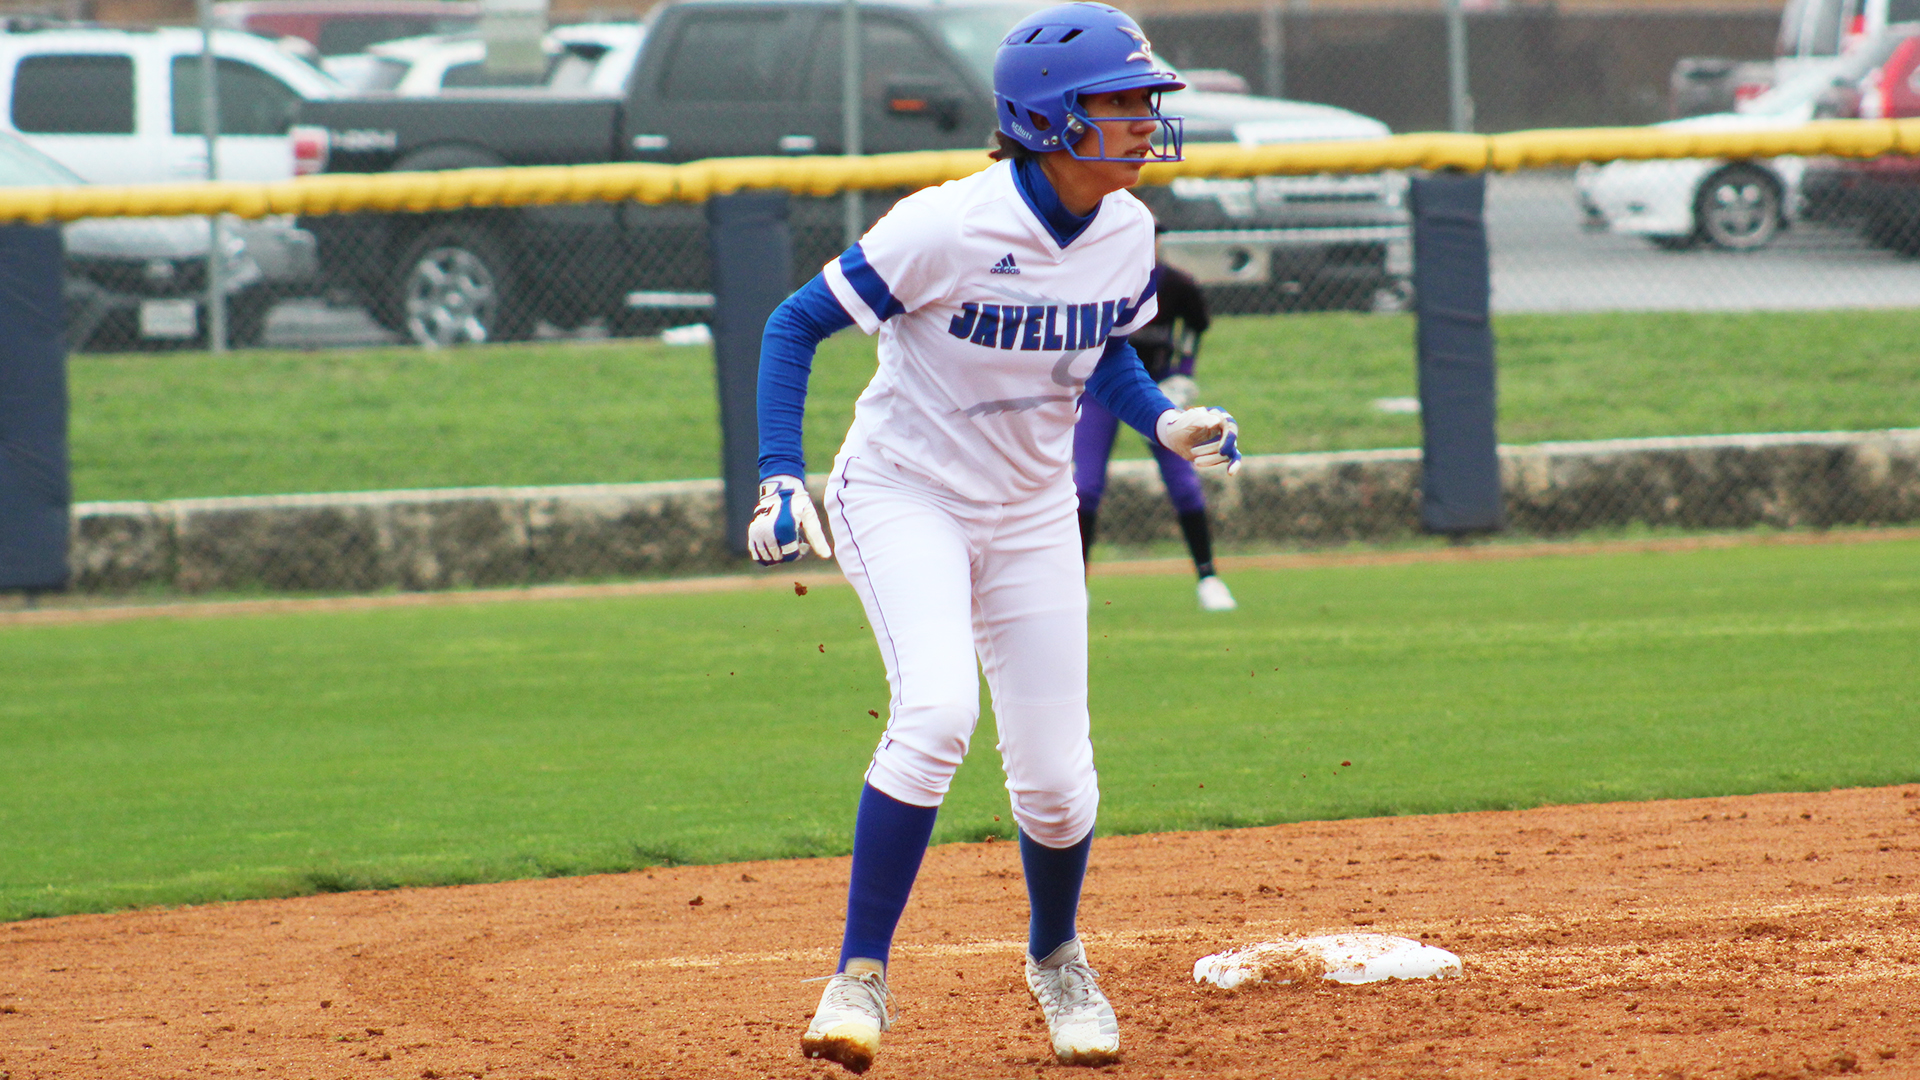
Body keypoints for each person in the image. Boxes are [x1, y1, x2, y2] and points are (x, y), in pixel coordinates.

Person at [745, 3, 1242, 1071]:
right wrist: (781, 477)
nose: (1145, 124)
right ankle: (859, 977)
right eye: (1119, 103)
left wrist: (1163, 418)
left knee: (1059, 782)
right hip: (903, 493)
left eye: (1147, 103)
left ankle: (1056, 955)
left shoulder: (1127, 231)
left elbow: (1100, 349)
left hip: (1027, 512)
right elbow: (796, 322)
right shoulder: (945, 225)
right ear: (1049, 120)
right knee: (935, 711)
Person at [1073, 227, 1237, 610]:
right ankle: (1075, 584)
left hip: (1157, 390)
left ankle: (1208, 577)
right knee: (1087, 484)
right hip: (1101, 391)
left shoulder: (1175, 283)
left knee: (1183, 484)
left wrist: (1185, 372)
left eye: (1153, 235)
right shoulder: (1101, 279)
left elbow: (1195, 328)